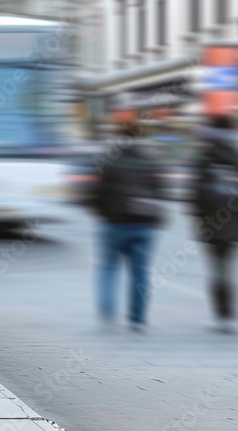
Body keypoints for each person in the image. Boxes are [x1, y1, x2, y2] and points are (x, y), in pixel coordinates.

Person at [86, 115, 166, 332]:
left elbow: (94, 191)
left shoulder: (109, 159)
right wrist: (157, 217)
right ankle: (137, 319)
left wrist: (100, 211)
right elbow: (161, 191)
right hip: (144, 223)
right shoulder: (151, 159)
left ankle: (107, 310)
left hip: (113, 223)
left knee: (108, 267)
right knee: (140, 271)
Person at [191, 115, 238, 334]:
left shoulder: (205, 157)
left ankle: (221, 316)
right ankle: (227, 315)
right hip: (236, 227)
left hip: (211, 225)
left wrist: (199, 220)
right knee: (227, 269)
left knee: (217, 269)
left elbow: (195, 193)